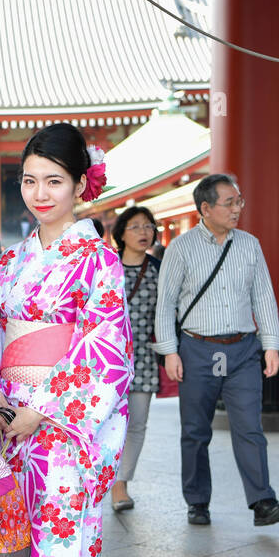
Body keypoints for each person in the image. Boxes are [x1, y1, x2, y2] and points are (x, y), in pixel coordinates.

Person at [0, 123, 131, 557]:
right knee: (19, 546)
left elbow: (107, 346)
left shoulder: (96, 258)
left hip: (65, 428)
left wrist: (48, 406)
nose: (40, 192)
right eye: (30, 180)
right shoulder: (15, 260)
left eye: (55, 181)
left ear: (79, 186)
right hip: (13, 421)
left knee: (63, 548)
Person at [154, 173, 279, 526]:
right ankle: (197, 501)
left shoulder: (249, 244)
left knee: (249, 428)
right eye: (229, 203)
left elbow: (263, 296)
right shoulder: (181, 248)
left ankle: (263, 501)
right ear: (205, 208)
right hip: (197, 349)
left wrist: (271, 345)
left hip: (243, 349)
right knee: (196, 431)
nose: (237, 209)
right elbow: (166, 303)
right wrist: (170, 351)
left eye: (239, 201)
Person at [110, 205, 162, 512]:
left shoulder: (158, 269)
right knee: (105, 421)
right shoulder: (107, 266)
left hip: (143, 354)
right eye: (136, 226)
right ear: (121, 233)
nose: (144, 232)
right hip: (106, 358)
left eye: (149, 226)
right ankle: (98, 477)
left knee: (137, 424)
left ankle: (121, 485)